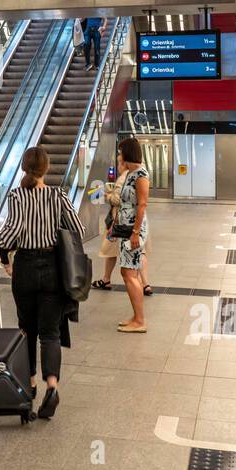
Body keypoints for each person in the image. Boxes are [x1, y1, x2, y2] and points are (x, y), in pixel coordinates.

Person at [0, 146, 83, 420]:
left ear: (24, 168)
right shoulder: (59, 196)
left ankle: (30, 383)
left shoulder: (17, 195)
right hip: (52, 271)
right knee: (51, 333)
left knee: (27, 329)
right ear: (46, 168)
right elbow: (78, 230)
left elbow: (12, 232)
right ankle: (53, 387)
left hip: (25, 269)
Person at [91, 149, 153, 295]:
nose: (117, 166)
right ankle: (144, 284)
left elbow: (119, 200)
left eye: (119, 162)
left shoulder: (125, 177)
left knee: (116, 256)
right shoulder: (140, 173)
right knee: (138, 252)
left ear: (124, 163)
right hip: (138, 220)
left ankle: (135, 284)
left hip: (121, 223)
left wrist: (105, 195)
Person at [114, 137, 150, 333]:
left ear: (127, 153)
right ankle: (136, 316)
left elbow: (142, 205)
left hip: (134, 231)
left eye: (121, 152)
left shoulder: (141, 175)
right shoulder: (130, 173)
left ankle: (140, 320)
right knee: (128, 272)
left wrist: (135, 233)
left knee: (129, 273)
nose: (119, 156)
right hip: (126, 229)